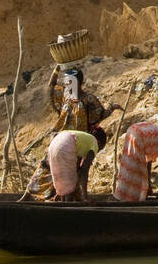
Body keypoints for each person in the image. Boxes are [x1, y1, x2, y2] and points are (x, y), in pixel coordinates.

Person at [21, 65, 120, 201]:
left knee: (71, 173)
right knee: (46, 166)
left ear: (78, 83)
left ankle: (66, 199)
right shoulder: (65, 95)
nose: (66, 84)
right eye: (66, 82)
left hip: (76, 143)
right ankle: (30, 193)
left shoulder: (88, 99)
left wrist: (111, 109)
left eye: (69, 81)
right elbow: (51, 87)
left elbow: (99, 114)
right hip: (59, 138)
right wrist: (56, 69)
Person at [46, 125, 107, 203]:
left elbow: (78, 167)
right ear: (100, 143)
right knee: (70, 184)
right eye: (100, 148)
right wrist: (85, 196)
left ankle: (63, 206)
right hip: (65, 145)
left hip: (54, 144)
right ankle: (69, 210)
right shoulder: (94, 143)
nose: (97, 151)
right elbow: (85, 170)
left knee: (64, 182)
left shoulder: (83, 140)